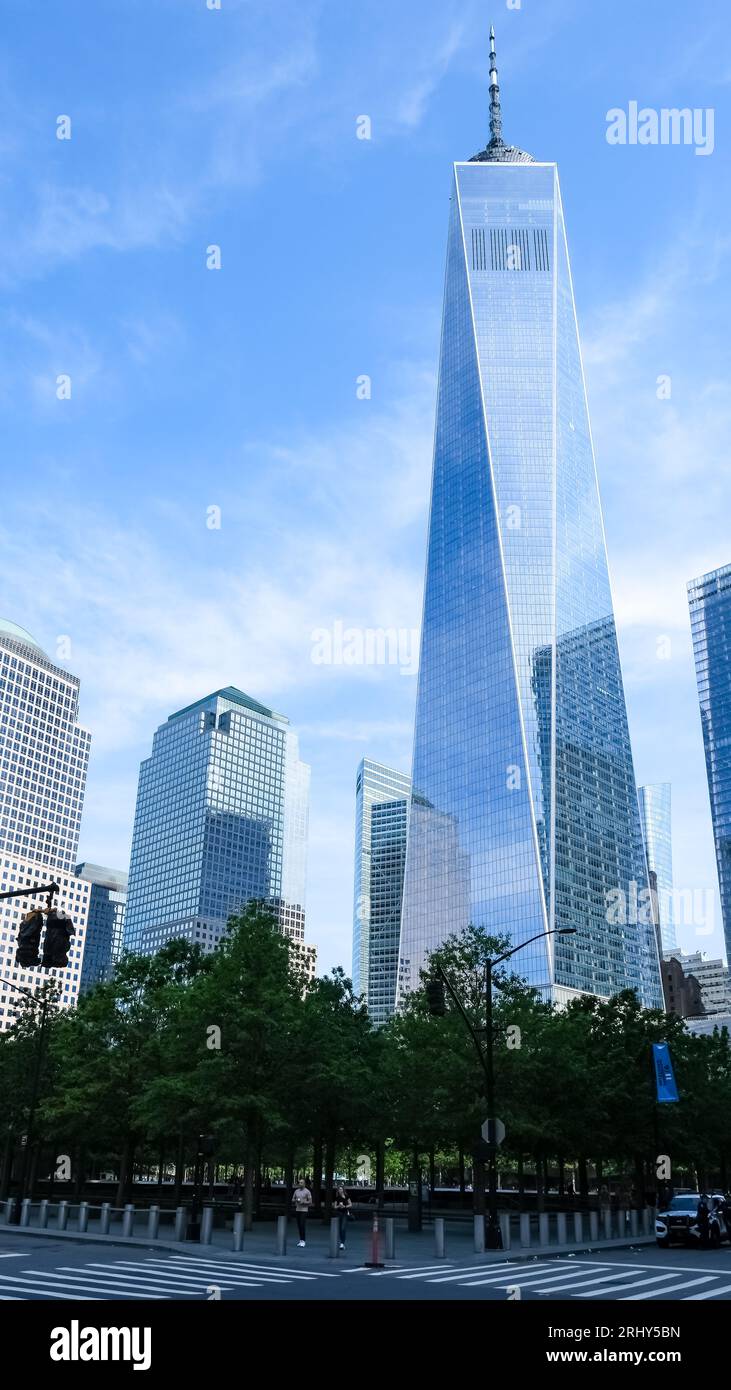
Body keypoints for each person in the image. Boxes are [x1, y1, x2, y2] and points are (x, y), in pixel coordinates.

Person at [292, 1178, 312, 1246]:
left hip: (304, 1210)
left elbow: (310, 1201)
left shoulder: (307, 1191)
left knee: (302, 1225)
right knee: (299, 1226)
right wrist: (296, 1200)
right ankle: (301, 1240)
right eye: (299, 1182)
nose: (300, 1184)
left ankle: (303, 1241)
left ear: (304, 1184)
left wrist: (304, 1202)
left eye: (301, 1183)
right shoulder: (296, 1191)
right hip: (297, 1209)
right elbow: (292, 1199)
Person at [333, 1185, 352, 1249]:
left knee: (343, 1228)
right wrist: (339, 1206)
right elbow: (335, 1207)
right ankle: (341, 1242)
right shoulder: (337, 1197)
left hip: (345, 1213)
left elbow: (350, 1204)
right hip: (339, 1213)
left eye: (341, 1189)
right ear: (338, 1190)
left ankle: (342, 1243)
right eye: (339, 1189)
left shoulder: (346, 1196)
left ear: (343, 1190)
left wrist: (345, 1206)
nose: (340, 1190)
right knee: (339, 1229)